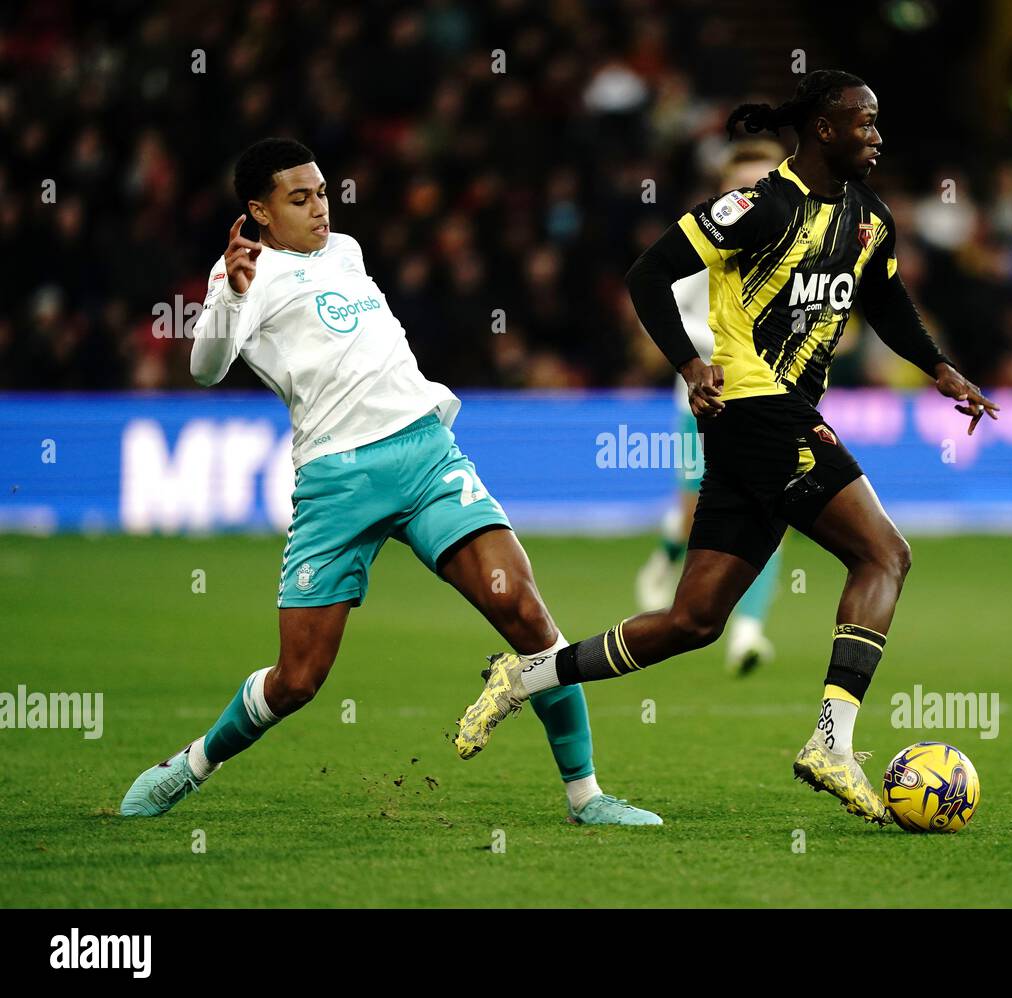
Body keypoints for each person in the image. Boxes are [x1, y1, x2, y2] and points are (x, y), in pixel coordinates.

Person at [453, 72, 997, 825]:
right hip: (754, 407)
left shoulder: (869, 219)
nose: (877, 135)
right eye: (863, 122)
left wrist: (938, 367)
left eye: (878, 123)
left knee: (692, 620)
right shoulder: (759, 205)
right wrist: (687, 361)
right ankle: (832, 743)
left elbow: (885, 301)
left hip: (773, 421)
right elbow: (648, 274)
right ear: (824, 129)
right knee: (885, 555)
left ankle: (525, 676)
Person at [119, 138, 660, 827]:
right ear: (257, 211)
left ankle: (587, 797)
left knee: (524, 611)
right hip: (338, 484)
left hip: (427, 456)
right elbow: (203, 368)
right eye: (299, 198)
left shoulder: (345, 251)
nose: (319, 208)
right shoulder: (243, 279)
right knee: (298, 681)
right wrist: (226, 293)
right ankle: (191, 766)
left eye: (322, 192)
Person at [634, 138, 786, 676]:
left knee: (769, 508)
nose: (753, 192)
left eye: (764, 181)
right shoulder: (705, 242)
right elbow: (666, 309)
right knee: (695, 514)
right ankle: (665, 555)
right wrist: (726, 342)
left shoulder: (795, 241)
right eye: (742, 184)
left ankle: (747, 633)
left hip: (769, 403)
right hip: (702, 400)